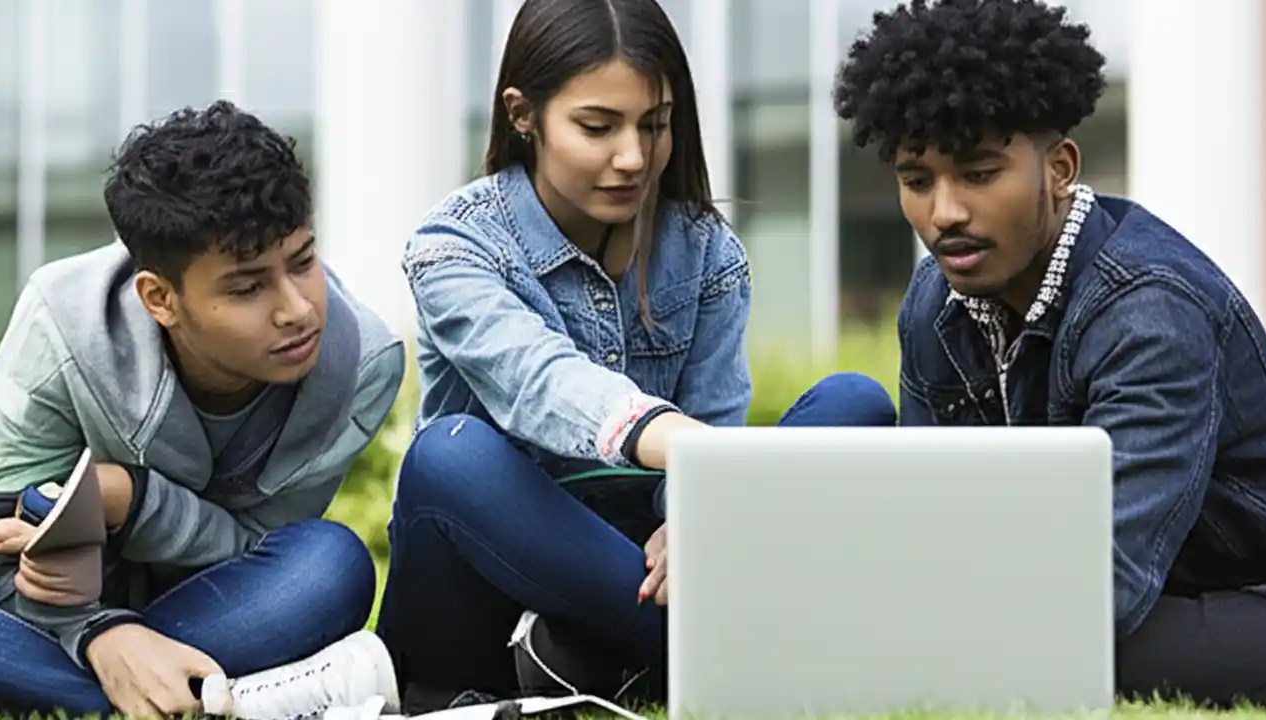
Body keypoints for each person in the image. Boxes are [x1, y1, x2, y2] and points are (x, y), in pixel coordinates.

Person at [375, 0, 897, 711]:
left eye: (655, 126)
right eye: (597, 127)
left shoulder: (707, 255)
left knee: (853, 403)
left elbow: (717, 420)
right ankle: (709, 651)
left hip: (644, 570)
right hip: (484, 587)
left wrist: (698, 519)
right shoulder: (455, 247)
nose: (633, 157)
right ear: (523, 114)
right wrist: (685, 448)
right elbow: (541, 382)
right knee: (447, 455)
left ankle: (606, 656)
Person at [833, 0, 1266, 708]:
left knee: (1086, 648)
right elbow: (929, 517)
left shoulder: (1151, 312)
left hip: (1236, 584)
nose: (944, 212)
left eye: (979, 174)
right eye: (917, 180)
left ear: (1060, 168)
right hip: (1108, 583)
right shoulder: (934, 303)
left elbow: (1108, 577)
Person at [0, 101, 405, 718]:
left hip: (211, 606)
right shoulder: (63, 323)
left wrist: (129, 500)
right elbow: (5, 538)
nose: (296, 309)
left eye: (303, 261)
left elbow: (252, 550)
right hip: (49, 613)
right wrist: (99, 630)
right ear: (160, 298)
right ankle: (213, 696)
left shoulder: (362, 365)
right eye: (247, 287)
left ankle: (129, 688)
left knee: (329, 565)